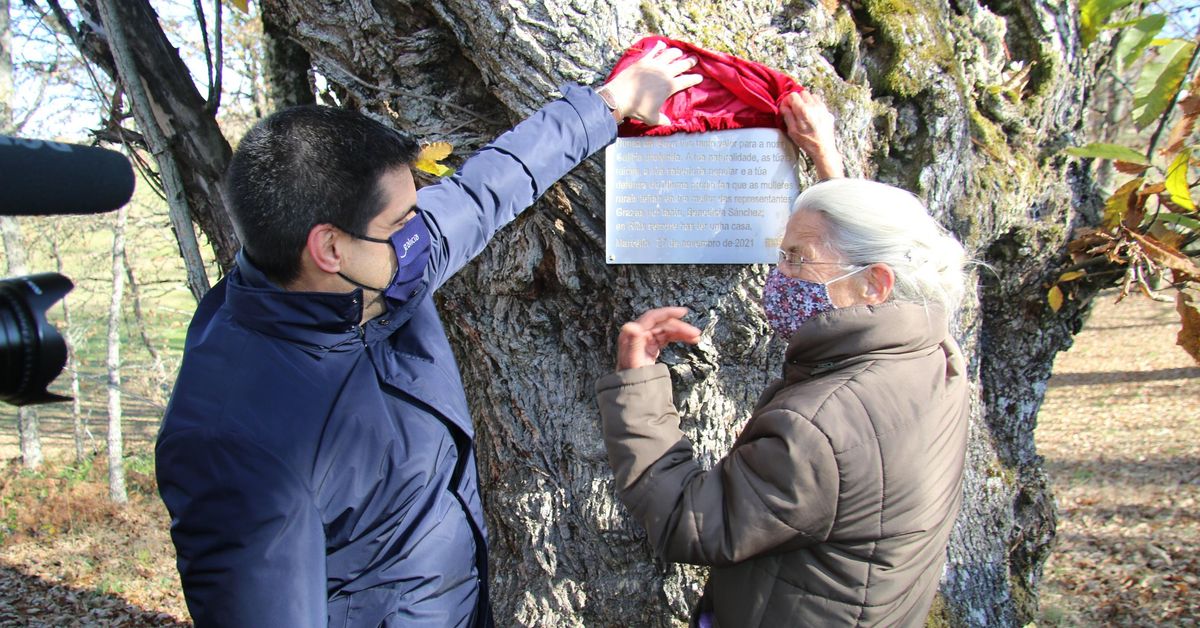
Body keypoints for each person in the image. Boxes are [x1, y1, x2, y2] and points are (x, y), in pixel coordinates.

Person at [155, 42, 700, 627]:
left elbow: (482, 190)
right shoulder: (232, 439)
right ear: (329, 247)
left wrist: (607, 104)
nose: (421, 230)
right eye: (400, 221)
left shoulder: (379, 272)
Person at [594, 96, 970, 626]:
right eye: (782, 253)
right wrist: (826, 165)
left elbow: (691, 521)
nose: (779, 274)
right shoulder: (936, 352)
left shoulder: (819, 429)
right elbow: (870, 263)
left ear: (875, 281)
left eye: (797, 258)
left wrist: (637, 385)